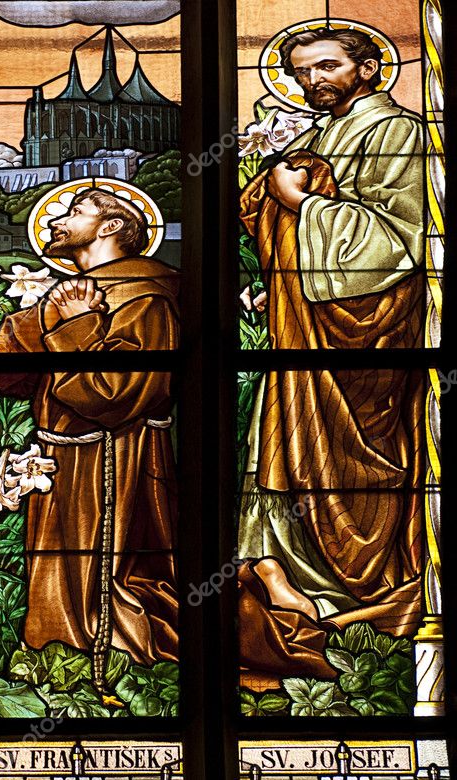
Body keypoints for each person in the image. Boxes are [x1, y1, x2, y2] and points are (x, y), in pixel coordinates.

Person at [237, 27, 425, 687]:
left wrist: (301, 205)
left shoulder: (398, 133)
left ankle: (357, 597)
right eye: (299, 71)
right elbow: (268, 220)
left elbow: (399, 239)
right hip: (300, 325)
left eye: (325, 66)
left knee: (355, 456)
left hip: (363, 330)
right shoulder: (314, 138)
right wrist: (277, 241)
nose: (310, 80)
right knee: (280, 447)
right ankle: (282, 581)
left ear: (370, 67)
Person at [0, 189, 179, 688]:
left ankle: (109, 668)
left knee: (105, 575)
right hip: (62, 455)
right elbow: (9, 373)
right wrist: (56, 321)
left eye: (75, 212)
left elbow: (111, 394)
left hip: (115, 456)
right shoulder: (73, 291)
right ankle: (59, 661)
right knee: (58, 578)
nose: (56, 218)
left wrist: (74, 327)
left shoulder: (147, 296)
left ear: (111, 228)